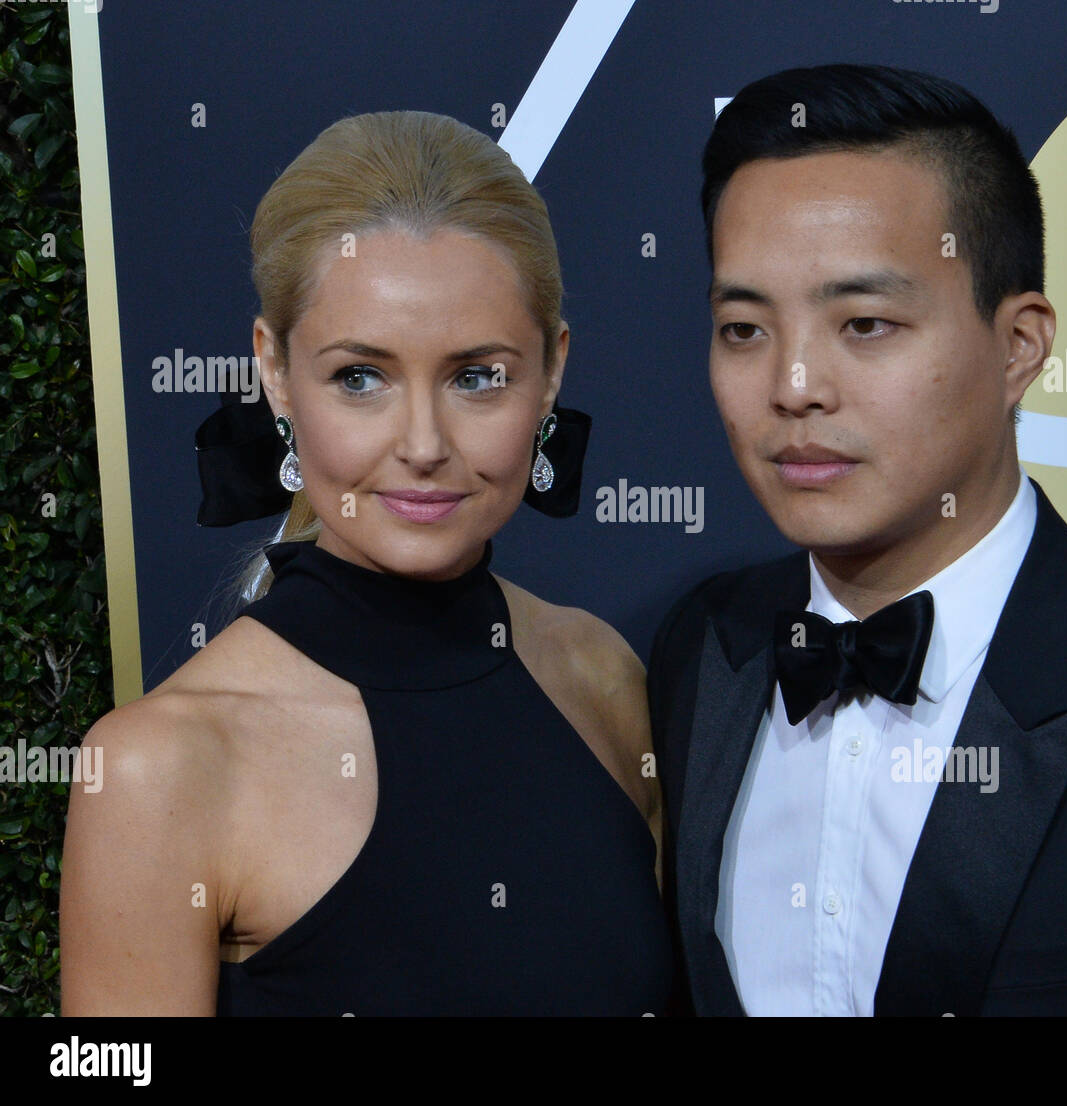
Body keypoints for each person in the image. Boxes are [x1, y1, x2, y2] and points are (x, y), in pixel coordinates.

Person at [648, 64, 1067, 1016]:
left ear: (1019, 347)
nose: (792, 386)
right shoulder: (701, 651)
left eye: (864, 324)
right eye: (744, 329)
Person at [61, 111, 672, 1015]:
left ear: (551, 374)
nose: (422, 444)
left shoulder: (603, 674)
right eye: (360, 377)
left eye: (476, 376)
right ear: (273, 370)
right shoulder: (160, 767)